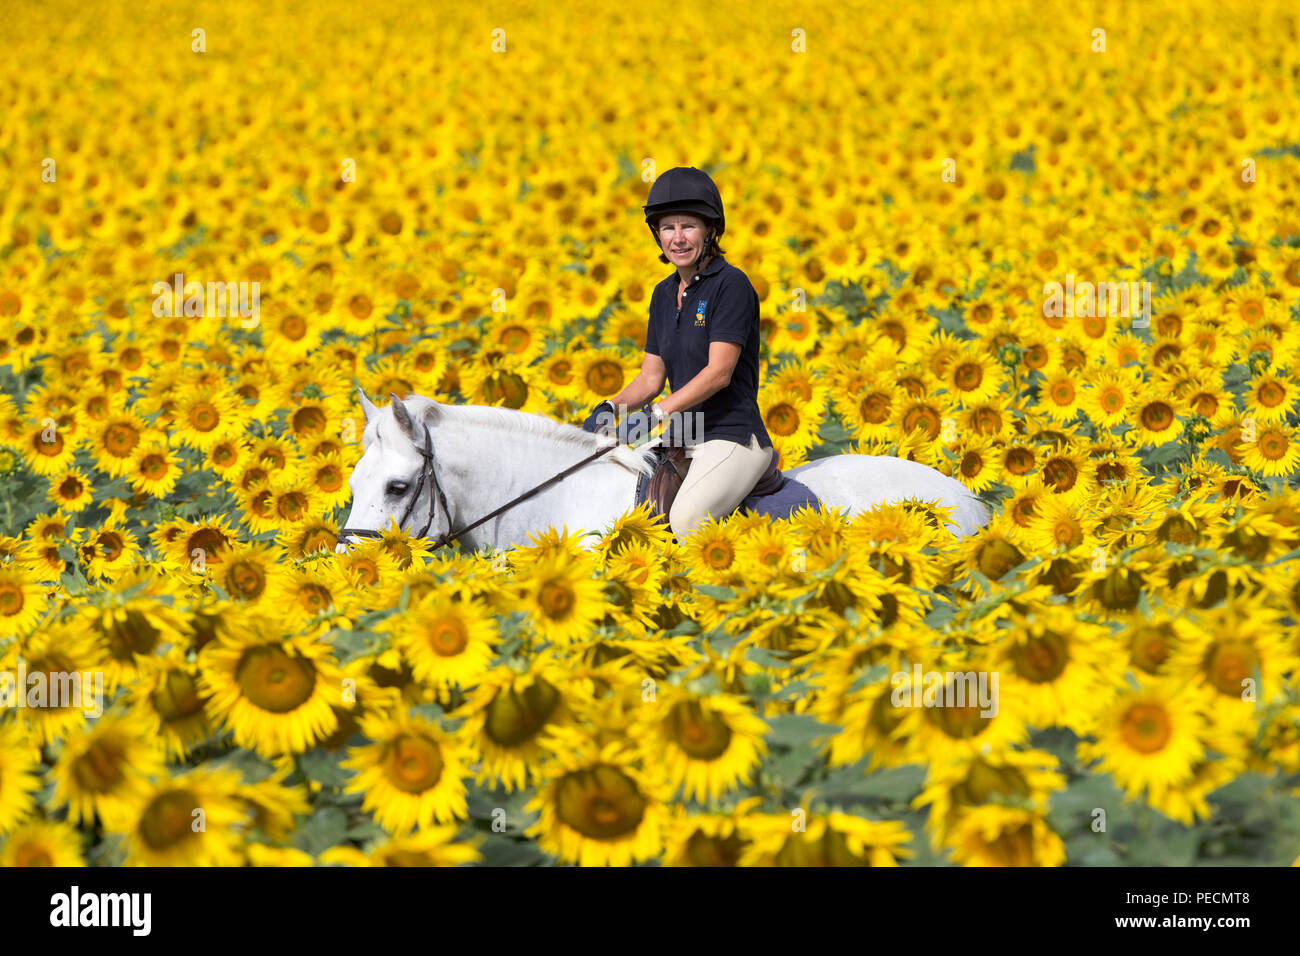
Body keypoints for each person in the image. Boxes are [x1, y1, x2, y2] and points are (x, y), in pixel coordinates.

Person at [582, 166, 774, 539]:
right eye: (668, 228)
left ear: (710, 230)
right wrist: (610, 408)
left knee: (686, 520)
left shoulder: (731, 285)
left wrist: (655, 414)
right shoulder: (662, 293)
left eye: (689, 226)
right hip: (685, 433)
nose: (678, 238)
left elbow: (719, 373)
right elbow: (651, 378)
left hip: (732, 436)